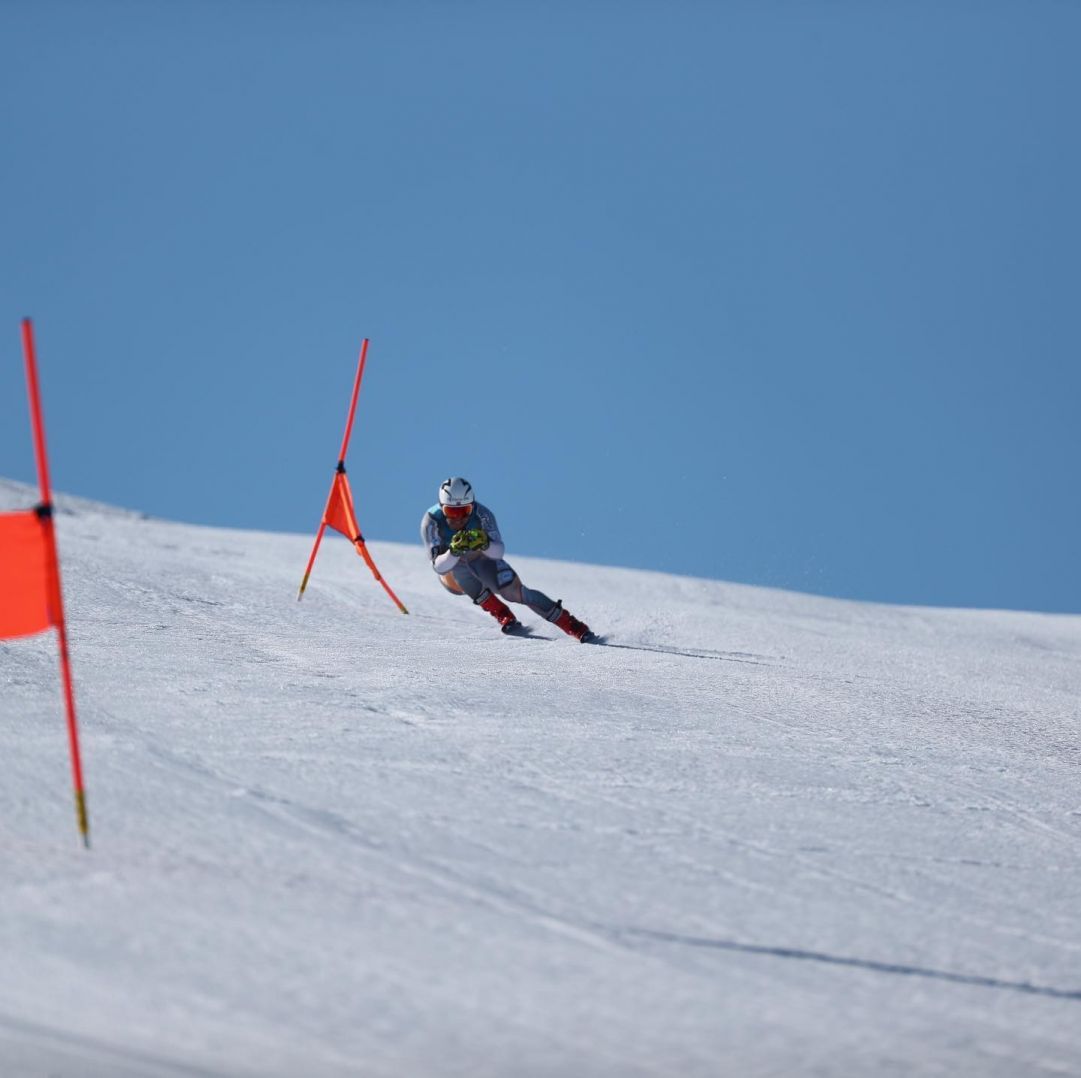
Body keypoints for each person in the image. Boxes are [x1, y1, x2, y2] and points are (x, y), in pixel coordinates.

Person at [420, 476, 595, 641]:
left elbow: (498, 553)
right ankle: (502, 613)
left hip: (481, 559)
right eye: (451, 511)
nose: (458, 519)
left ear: (472, 506)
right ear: (442, 508)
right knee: (459, 570)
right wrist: (454, 552)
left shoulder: (482, 514)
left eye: (464, 511)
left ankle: (572, 625)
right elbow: (438, 567)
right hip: (451, 573)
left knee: (514, 592)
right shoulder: (431, 521)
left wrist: (485, 544)